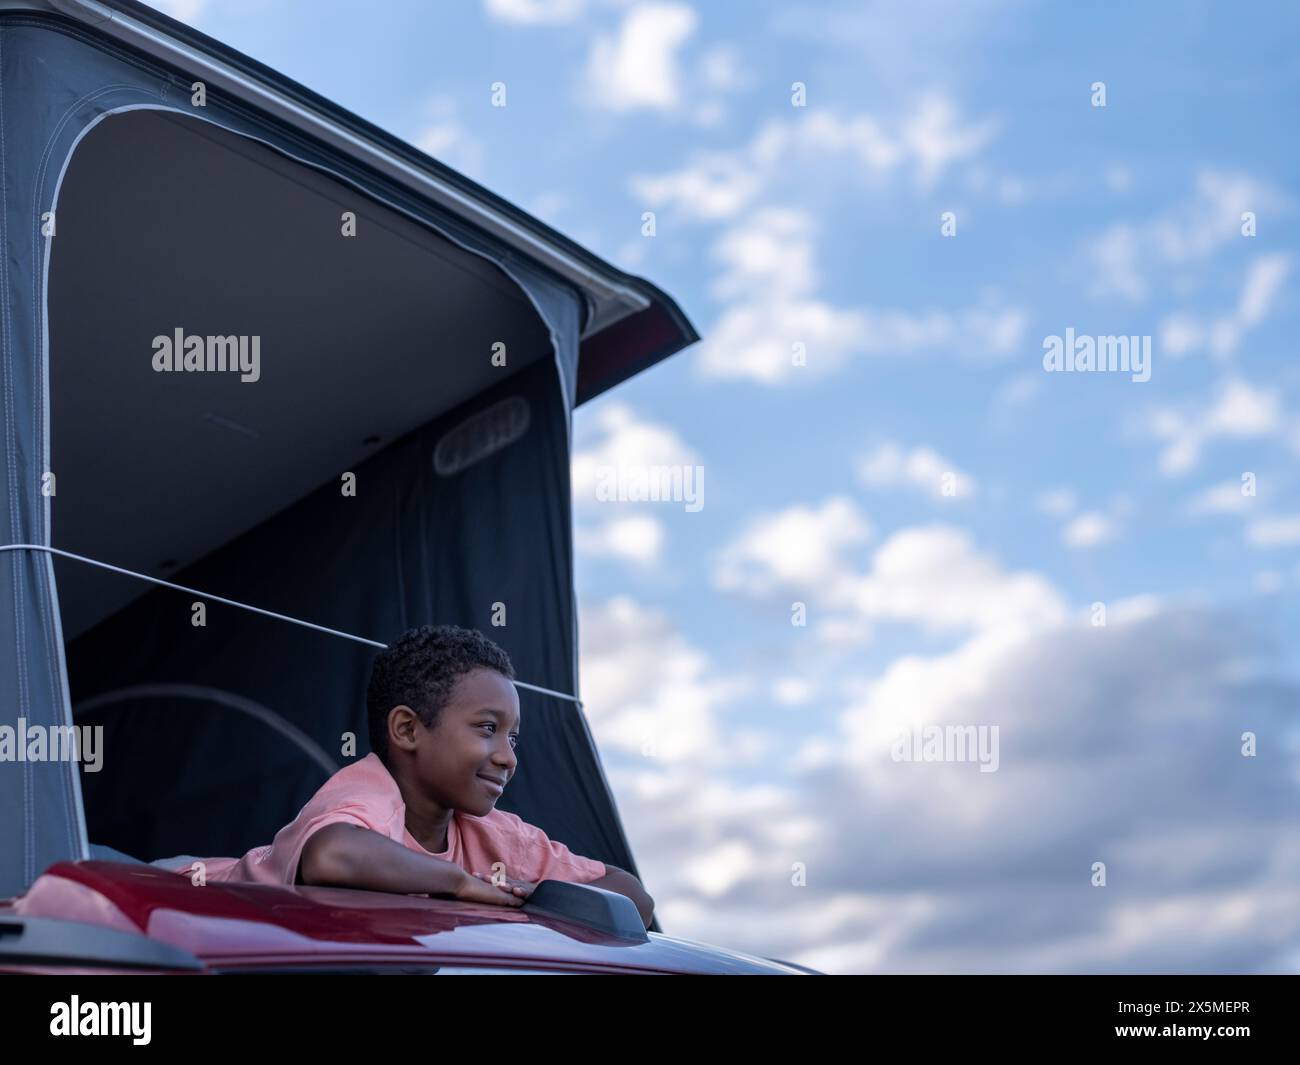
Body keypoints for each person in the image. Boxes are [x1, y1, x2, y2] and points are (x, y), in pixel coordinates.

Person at [165, 625, 654, 928]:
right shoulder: (369, 793)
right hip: (182, 895)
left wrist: (533, 896)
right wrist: (461, 883)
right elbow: (332, 855)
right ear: (407, 729)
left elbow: (633, 897)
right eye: (488, 729)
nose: (508, 757)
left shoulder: (495, 835)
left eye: (513, 737)